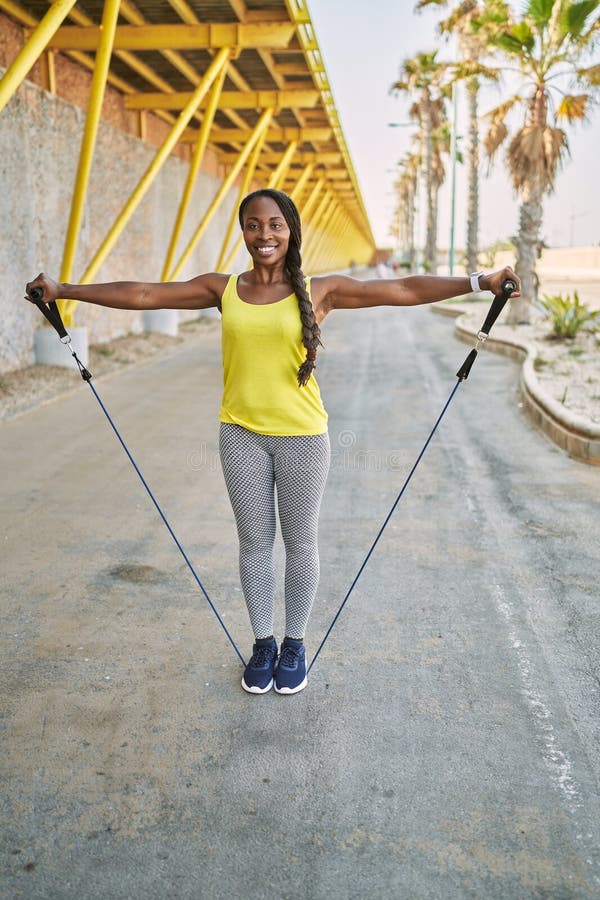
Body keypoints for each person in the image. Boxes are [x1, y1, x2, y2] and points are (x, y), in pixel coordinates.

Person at [26, 188, 520, 696]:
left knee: (300, 542)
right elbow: (146, 295)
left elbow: (402, 289)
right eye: (254, 225)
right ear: (243, 231)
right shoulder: (223, 289)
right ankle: (264, 643)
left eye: (275, 224)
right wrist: (65, 290)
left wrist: (479, 281)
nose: (264, 235)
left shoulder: (320, 290)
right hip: (240, 435)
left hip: (303, 437)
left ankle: (294, 643)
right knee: (255, 543)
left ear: (291, 231)